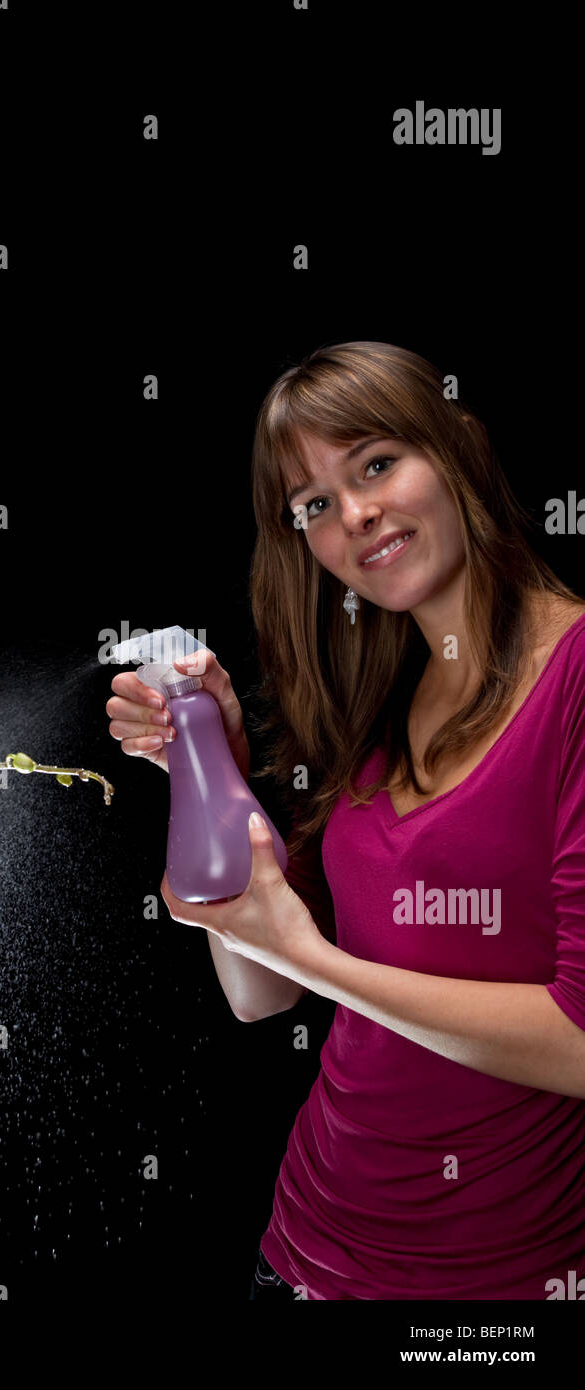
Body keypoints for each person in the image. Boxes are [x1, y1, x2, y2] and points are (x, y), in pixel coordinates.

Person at [106, 341, 585, 1300]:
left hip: (485, 1294)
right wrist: (212, 770)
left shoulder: (573, 682)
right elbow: (259, 995)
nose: (356, 515)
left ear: (458, 451)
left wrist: (315, 960)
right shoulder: (372, 702)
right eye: (315, 505)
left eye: (375, 464)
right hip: (299, 1253)